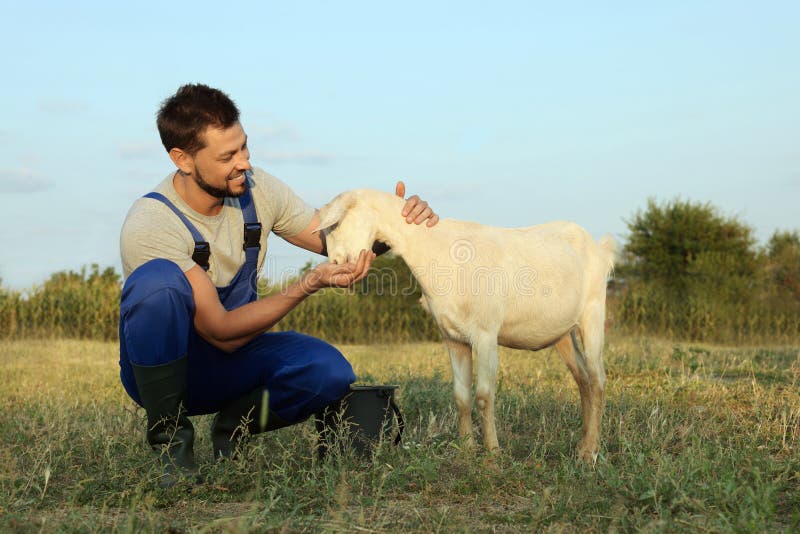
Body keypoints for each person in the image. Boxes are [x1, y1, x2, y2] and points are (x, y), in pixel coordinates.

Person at [118, 83, 439, 485]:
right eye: (227, 156)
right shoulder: (151, 223)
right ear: (182, 159)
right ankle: (173, 451)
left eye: (244, 148)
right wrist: (306, 285)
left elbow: (330, 239)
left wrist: (391, 221)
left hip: (232, 361)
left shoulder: (257, 189)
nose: (244, 164)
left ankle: (232, 428)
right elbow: (221, 333)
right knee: (157, 284)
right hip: (170, 372)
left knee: (327, 371)